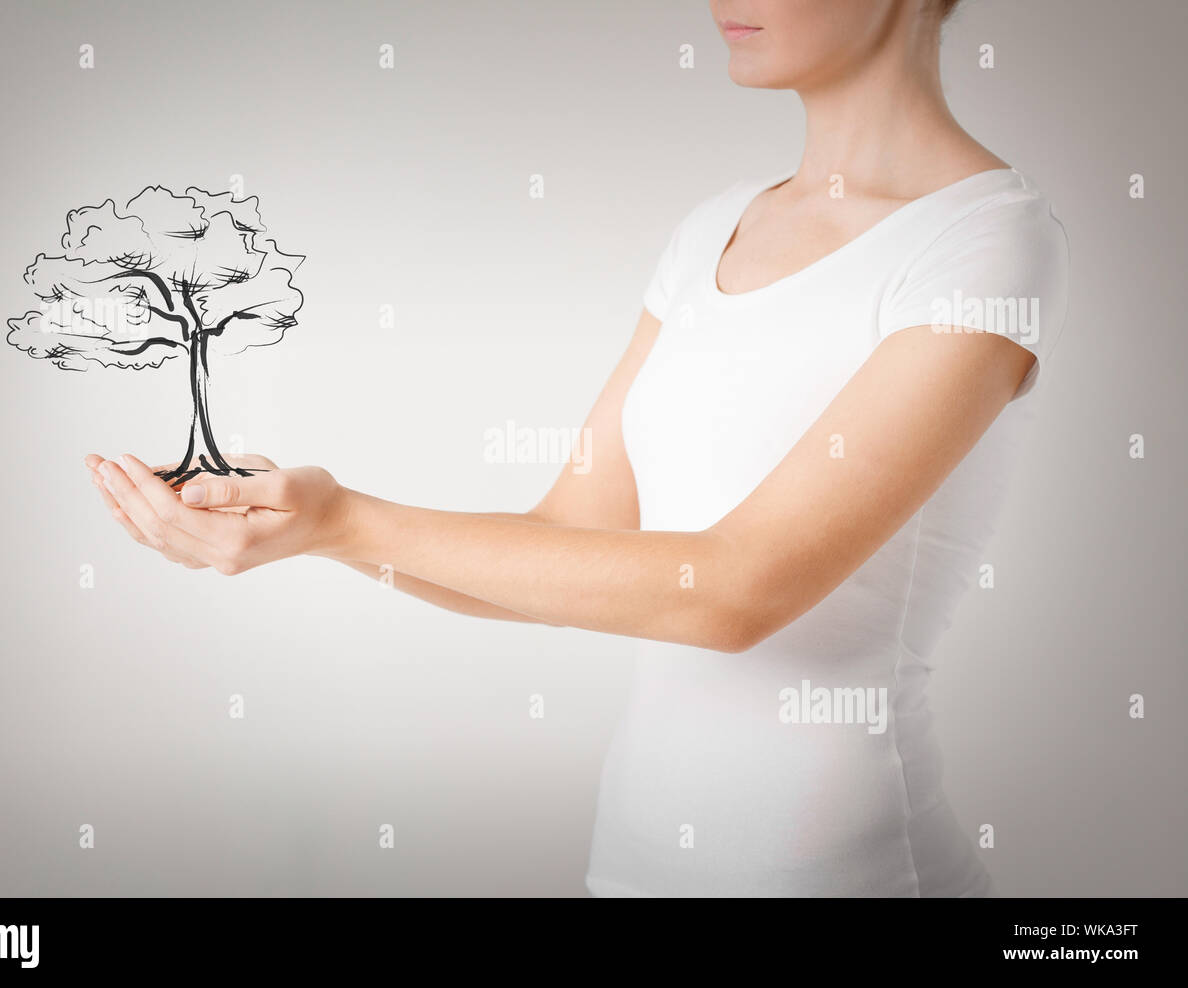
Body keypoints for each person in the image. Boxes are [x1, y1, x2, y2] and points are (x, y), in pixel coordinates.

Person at [86, 0, 1068, 896]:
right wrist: (314, 529)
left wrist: (348, 515)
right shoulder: (711, 230)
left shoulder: (981, 242)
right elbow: (563, 540)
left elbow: (734, 592)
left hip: (848, 875)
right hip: (632, 861)